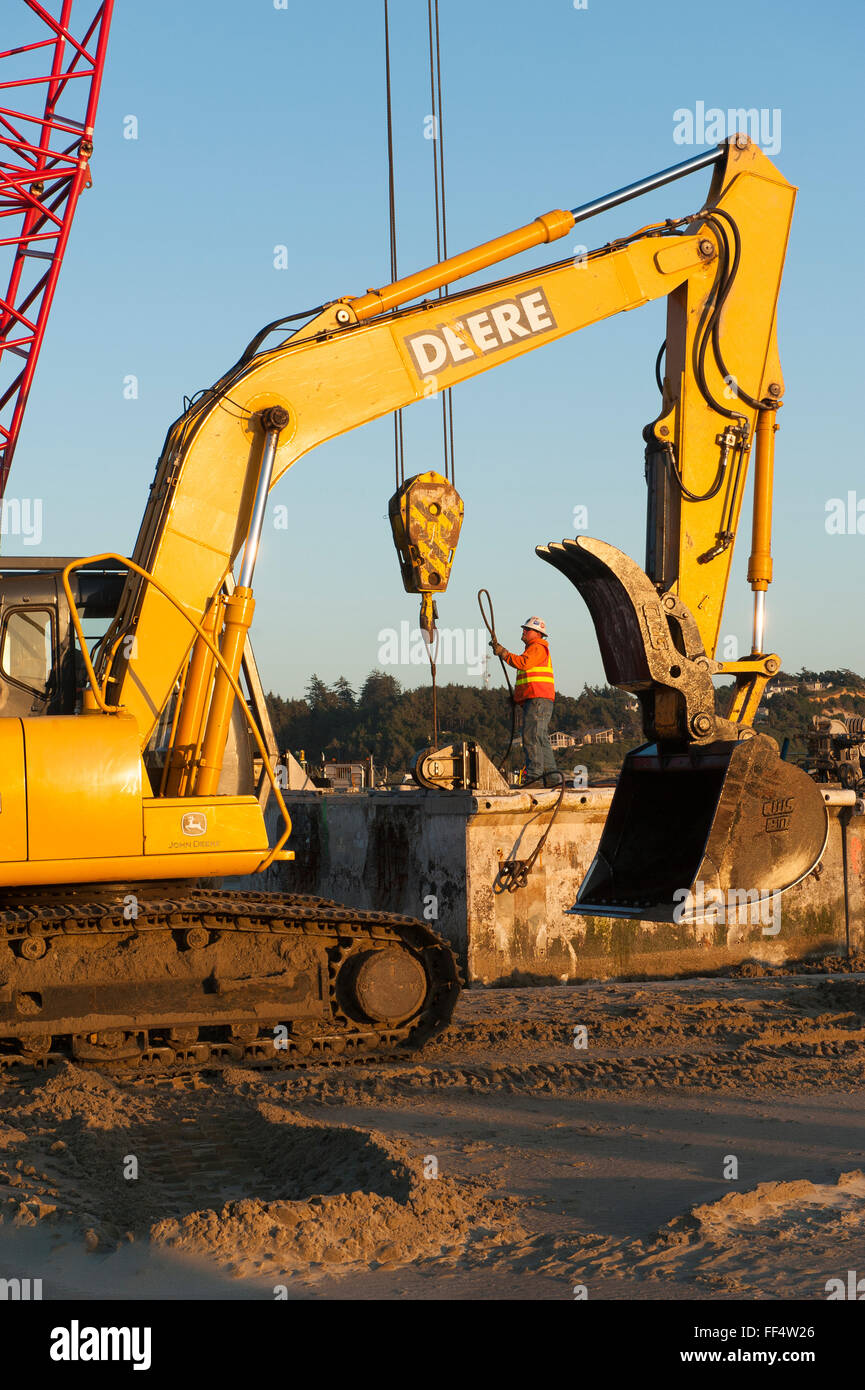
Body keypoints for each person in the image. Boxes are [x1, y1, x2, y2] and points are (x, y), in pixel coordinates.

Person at [491, 616, 558, 786]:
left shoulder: (537, 648)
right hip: (538, 699)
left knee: (531, 738)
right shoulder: (535, 649)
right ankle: (552, 779)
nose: (523, 632)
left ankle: (534, 777)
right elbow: (527, 679)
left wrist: (504, 653)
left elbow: (523, 664)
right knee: (540, 738)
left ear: (537, 633)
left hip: (537, 700)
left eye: (526, 630)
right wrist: (516, 699)